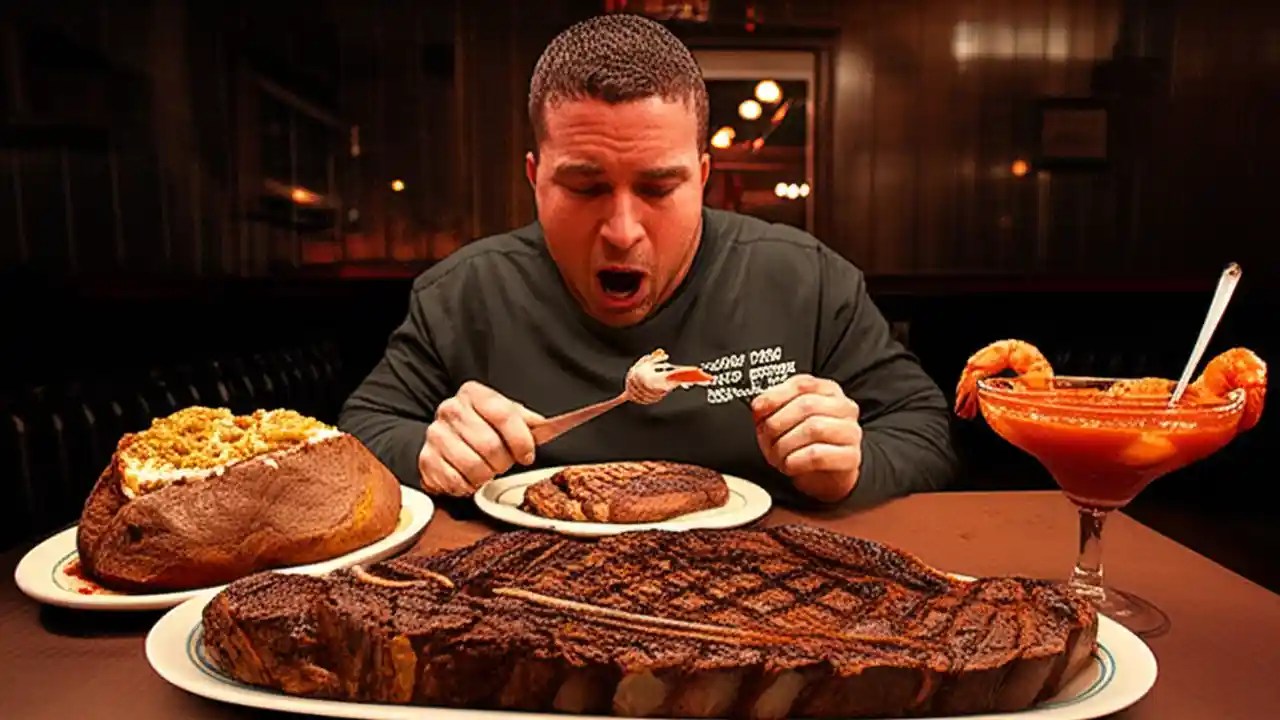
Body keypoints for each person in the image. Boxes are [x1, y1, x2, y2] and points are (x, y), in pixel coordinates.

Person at [338, 13, 957, 508]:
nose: (622, 231)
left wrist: (853, 467)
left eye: (659, 189)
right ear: (535, 179)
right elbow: (361, 430)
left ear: (703, 178)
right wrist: (426, 450)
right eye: (585, 188)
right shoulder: (464, 292)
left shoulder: (804, 279)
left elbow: (925, 430)